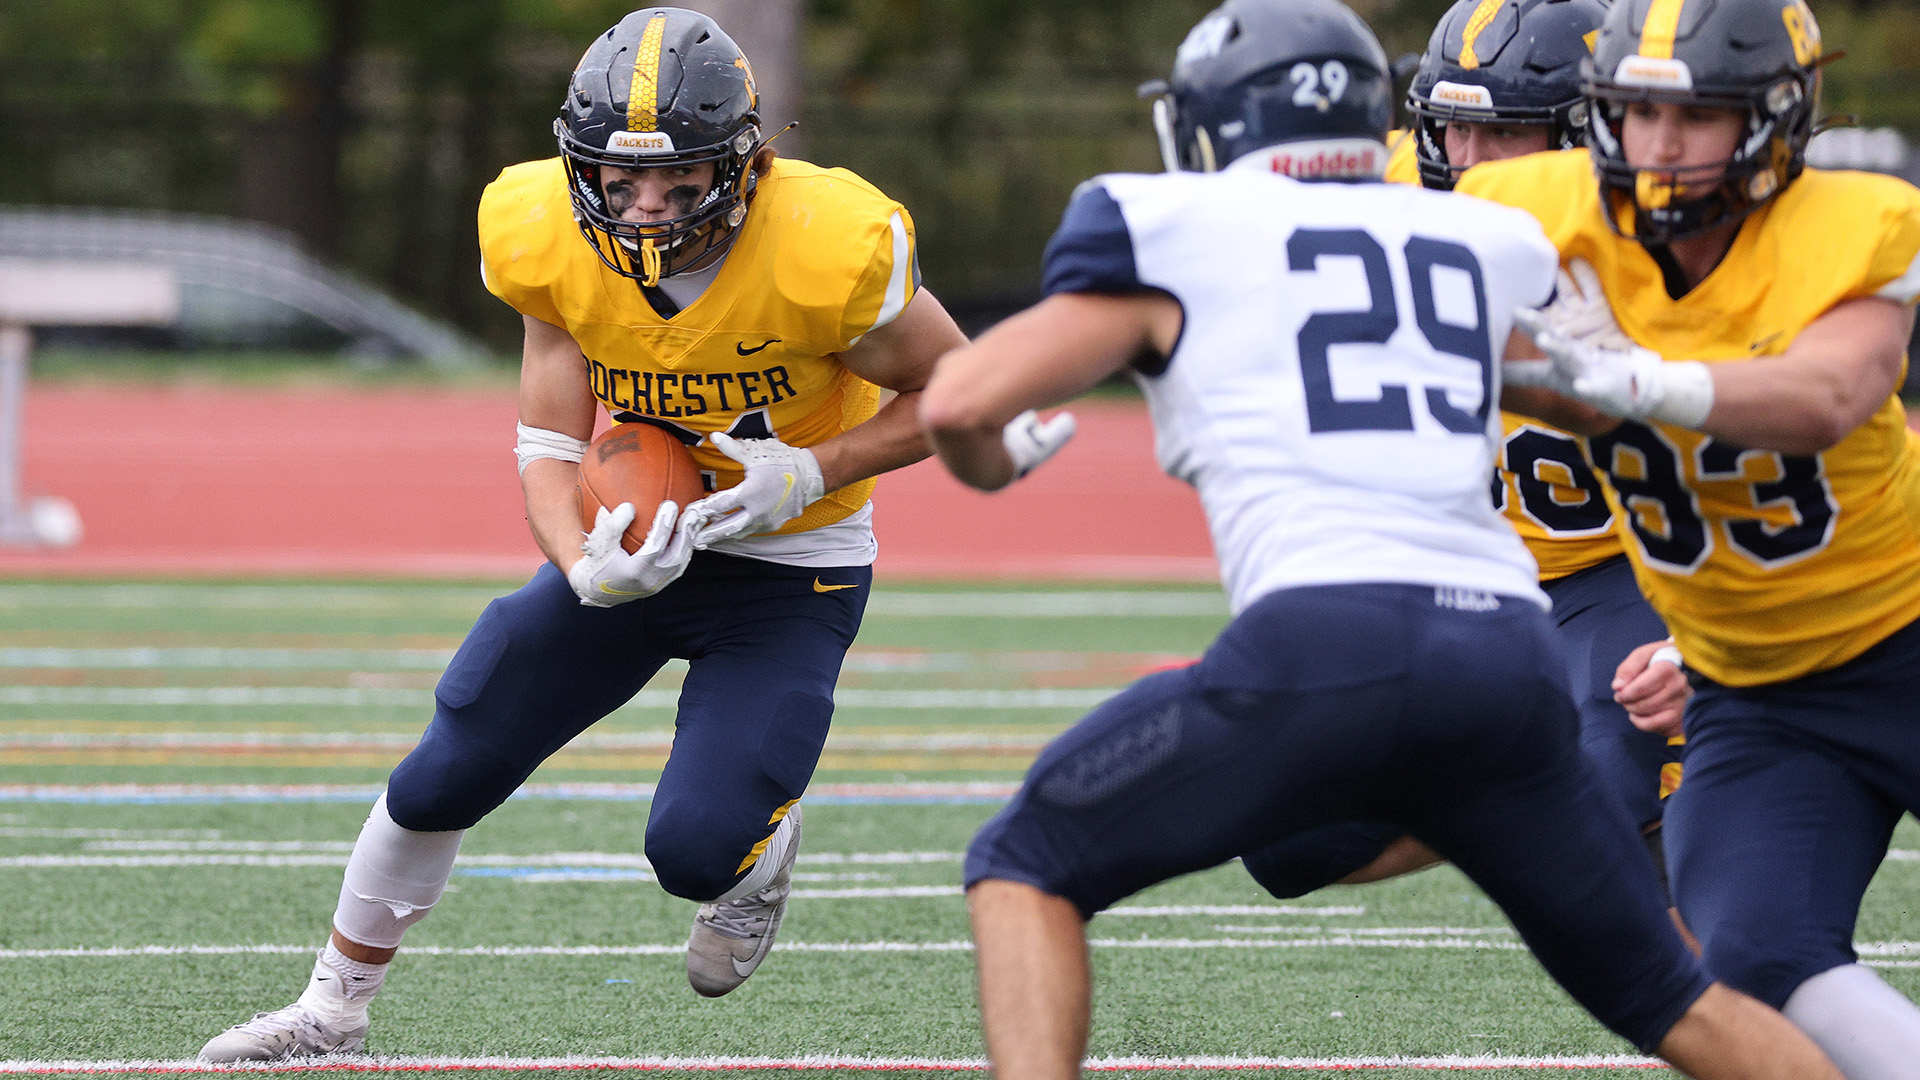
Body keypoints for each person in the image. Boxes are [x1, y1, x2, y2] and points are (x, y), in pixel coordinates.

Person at [919, 2, 1840, 1077]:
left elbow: (956, 406)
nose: (1480, 157)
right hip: (1507, 660)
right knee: (1666, 995)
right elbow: (1594, 402)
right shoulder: (1488, 238)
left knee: (1023, 859)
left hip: (1333, 641)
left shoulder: (1172, 224)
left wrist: (995, 464)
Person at [198, 7, 965, 1062]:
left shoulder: (829, 242)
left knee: (695, 848)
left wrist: (812, 471)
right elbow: (546, 440)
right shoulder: (540, 229)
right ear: (577, 165)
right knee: (445, 765)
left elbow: (964, 394)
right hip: (638, 538)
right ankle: (332, 1013)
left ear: (744, 164)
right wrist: (583, 564)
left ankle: (756, 858)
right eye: (618, 179)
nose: (644, 206)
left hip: (792, 564)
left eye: (679, 181)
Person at [1470, 0, 1920, 1074]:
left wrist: (1636, 382)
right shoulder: (1531, 208)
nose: (1659, 147)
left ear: (1773, 121)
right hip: (1759, 691)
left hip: (1904, 637)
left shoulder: (1852, 224)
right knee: (1748, 961)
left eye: (1697, 117)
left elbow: (1826, 396)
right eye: (1635, 114)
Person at [1240, 0, 1692, 905]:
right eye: (1451, 126)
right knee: (1284, 835)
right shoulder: (1382, 194)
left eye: (1505, 134)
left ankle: (1676, 824)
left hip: (1628, 580)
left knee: (1595, 806)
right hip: (1469, 583)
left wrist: (1703, 634)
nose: (1469, 160)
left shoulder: (1666, 239)